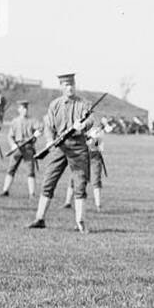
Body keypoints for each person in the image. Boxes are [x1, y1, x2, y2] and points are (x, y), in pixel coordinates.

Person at [28, 72, 94, 232]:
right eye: (66, 85)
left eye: (72, 84)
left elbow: (91, 120)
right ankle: (39, 218)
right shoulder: (55, 104)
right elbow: (49, 124)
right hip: (59, 146)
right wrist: (50, 140)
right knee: (48, 181)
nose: (69, 87)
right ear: (61, 87)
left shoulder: (84, 104)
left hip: (78, 147)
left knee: (80, 184)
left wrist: (82, 126)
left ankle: (80, 221)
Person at [0, 99, 40, 198]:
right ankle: (5, 190)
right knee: (11, 169)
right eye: (23, 108)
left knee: (30, 171)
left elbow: (40, 128)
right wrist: (12, 144)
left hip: (28, 148)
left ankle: (32, 194)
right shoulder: (15, 121)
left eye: (26, 108)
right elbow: (10, 136)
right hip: (17, 148)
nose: (25, 110)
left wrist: (37, 133)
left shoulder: (32, 120)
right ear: (19, 109)